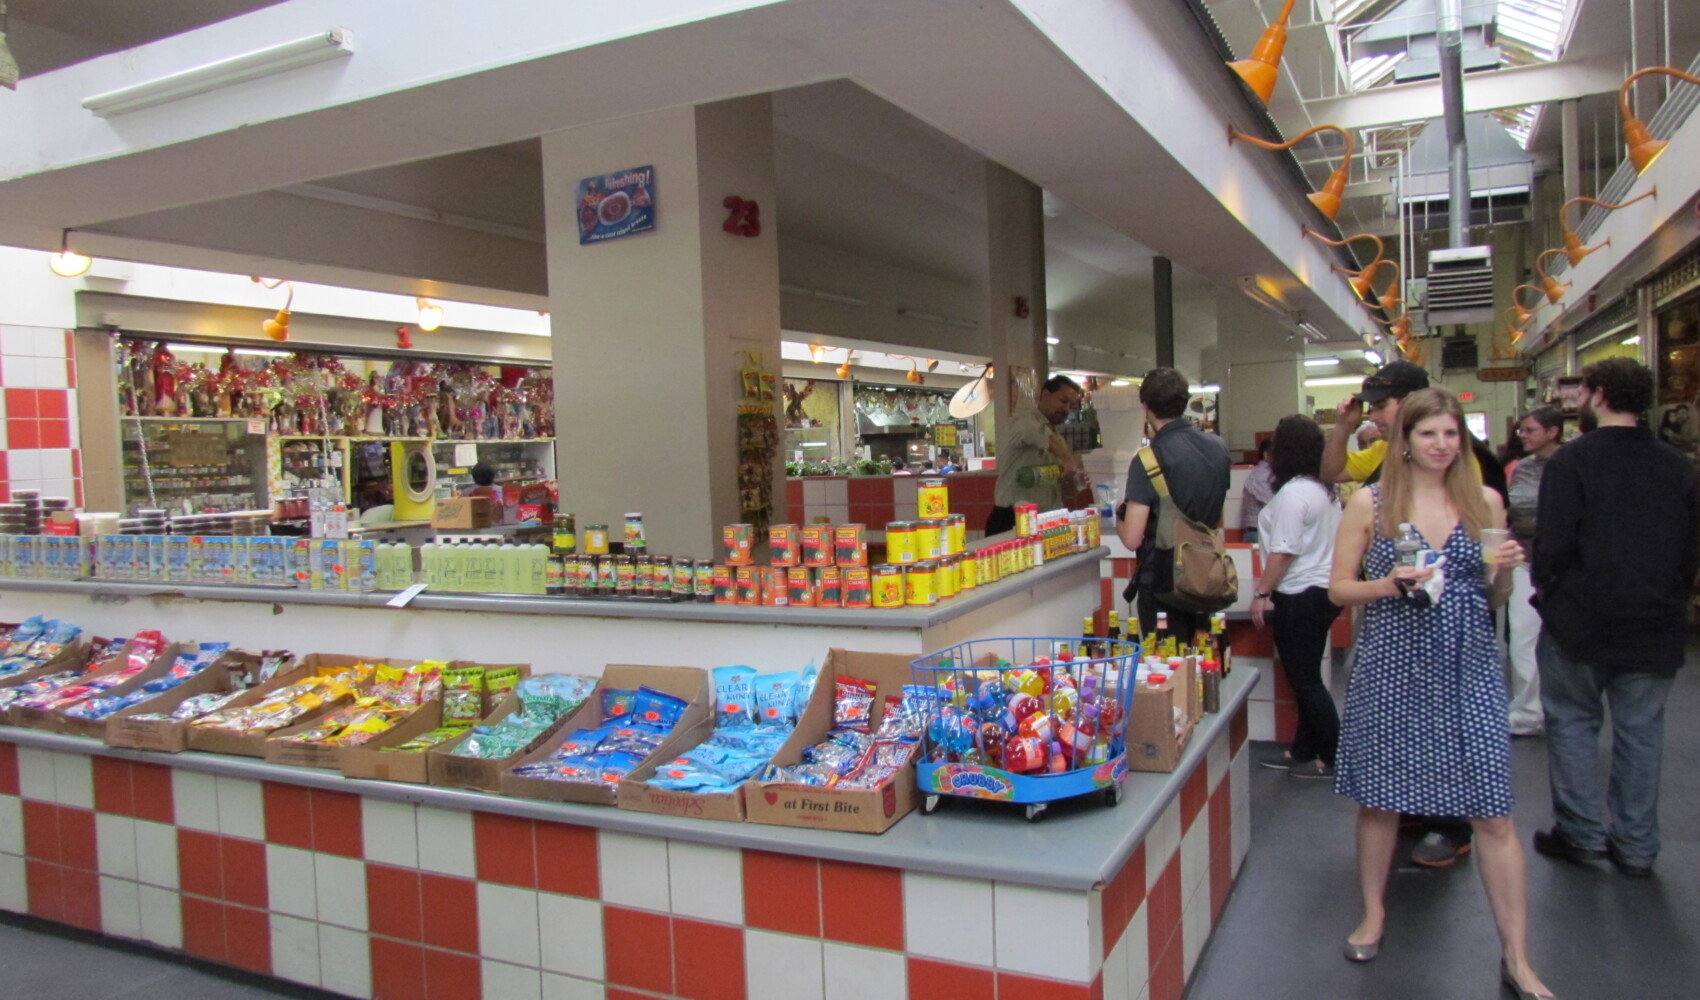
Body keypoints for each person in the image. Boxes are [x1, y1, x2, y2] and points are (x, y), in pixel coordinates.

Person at [1327, 388, 1552, 999]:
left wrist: (1500, 567)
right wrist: (1388, 584)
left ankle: (1517, 956)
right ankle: (1373, 912)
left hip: (1468, 664)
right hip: (1391, 665)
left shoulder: (1482, 501)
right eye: (1429, 434)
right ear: (1406, 440)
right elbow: (1339, 590)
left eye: (1451, 434)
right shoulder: (1371, 504)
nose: (1441, 445)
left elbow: (1491, 595)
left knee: (1493, 811)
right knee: (1380, 800)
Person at [1320, 359, 1506, 868]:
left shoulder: (1475, 475)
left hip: (1461, 641)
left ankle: (1450, 825)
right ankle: (1417, 816)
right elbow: (1334, 472)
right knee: (1386, 780)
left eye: (1381, 405)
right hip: (1398, 641)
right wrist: (1341, 428)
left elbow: (1492, 576)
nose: (1374, 416)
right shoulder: (1381, 473)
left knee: (1467, 762)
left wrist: (1500, 572)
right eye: (1430, 434)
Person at [1531, 358, 1700, 880]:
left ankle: (1580, 833)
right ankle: (1636, 846)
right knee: (1641, 732)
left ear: (1598, 394)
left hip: (1580, 622)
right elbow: (1689, 552)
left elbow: (1553, 546)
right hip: (1653, 622)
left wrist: (1549, 593)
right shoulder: (1680, 468)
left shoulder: (1571, 463)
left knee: (1574, 723)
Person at [1249, 415, 1343, 778]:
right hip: (1323, 592)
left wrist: (1261, 592)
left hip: (1299, 594)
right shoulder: (1324, 490)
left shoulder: (1293, 495)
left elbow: (1283, 552)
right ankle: (1303, 749)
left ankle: (1334, 756)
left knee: (1304, 679)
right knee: (1306, 676)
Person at [1119, 367, 1230, 641]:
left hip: (1163, 583)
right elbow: (1217, 517)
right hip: (1208, 575)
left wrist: (1116, 518)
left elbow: (1133, 538)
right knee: (1203, 663)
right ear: (1184, 401)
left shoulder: (1148, 459)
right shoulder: (1218, 447)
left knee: (1167, 671)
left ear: (1145, 406)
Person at [1503, 407, 1564, 736]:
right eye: (1521, 430)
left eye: (1530, 430)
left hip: (1564, 566)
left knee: (1562, 641)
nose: (1522, 436)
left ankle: (1559, 707)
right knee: (1523, 638)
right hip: (1524, 560)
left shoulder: (1573, 463)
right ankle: (1529, 711)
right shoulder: (1523, 468)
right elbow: (1519, 512)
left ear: (1553, 431)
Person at [986, 375, 1083, 535]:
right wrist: (1069, 460)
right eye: (1063, 401)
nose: (1066, 409)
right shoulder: (1025, 421)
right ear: (1045, 395)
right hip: (1012, 519)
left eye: (1071, 405)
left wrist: (1073, 479)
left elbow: (1060, 485)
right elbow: (1041, 437)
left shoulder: (1058, 437)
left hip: (1044, 518)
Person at [1239, 437, 1275, 544]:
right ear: (1266, 454)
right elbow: (1273, 503)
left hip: (1258, 532)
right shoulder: (1262, 475)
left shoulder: (1264, 473)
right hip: (1258, 533)